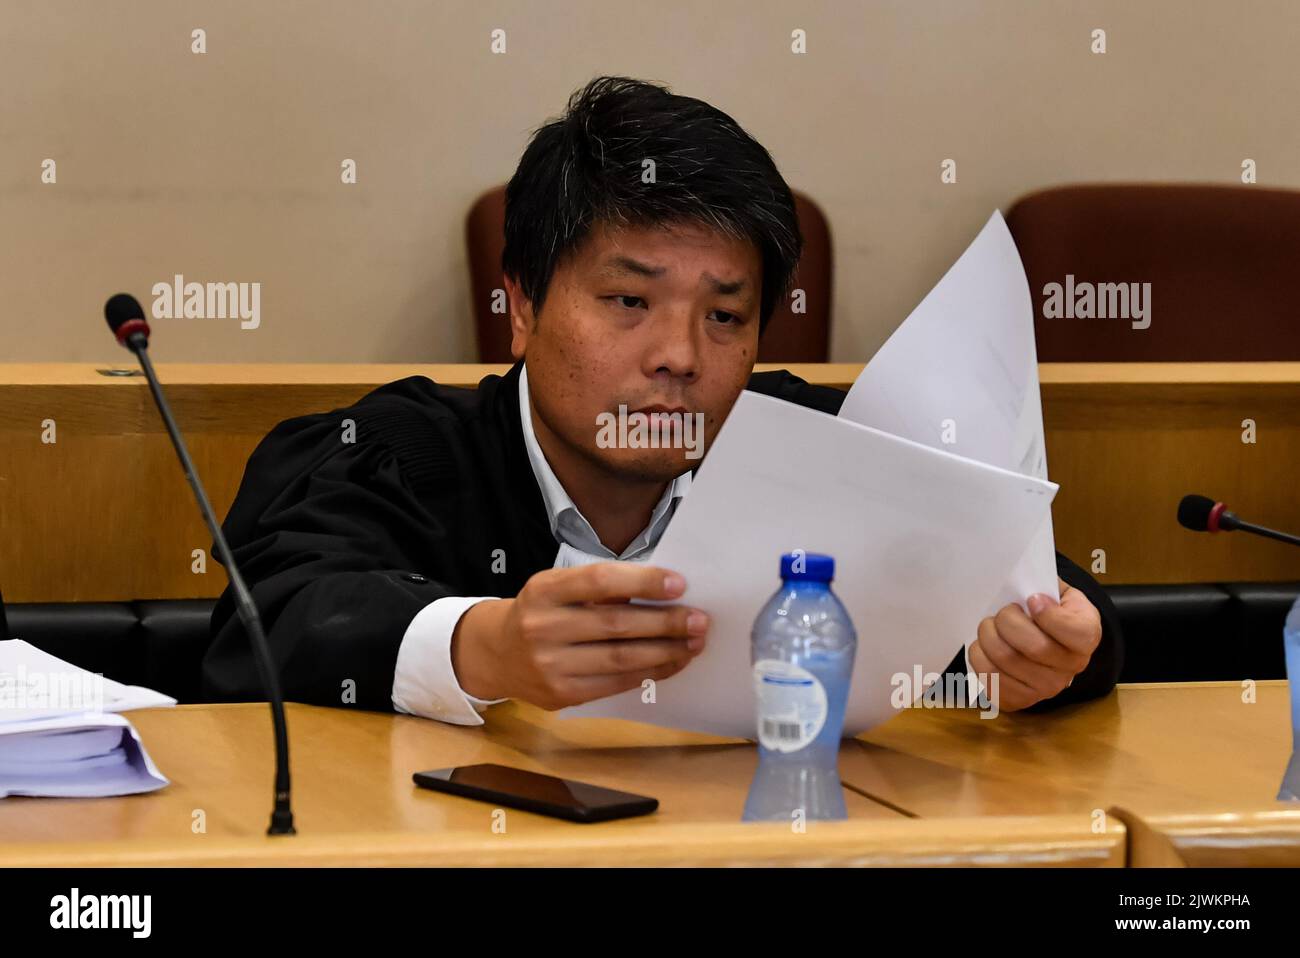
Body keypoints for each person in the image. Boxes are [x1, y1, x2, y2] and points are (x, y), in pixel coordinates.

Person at [204, 76, 1122, 723]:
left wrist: (1043, 656)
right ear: (521, 305)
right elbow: (273, 621)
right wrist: (487, 649)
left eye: (726, 316)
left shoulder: (822, 450)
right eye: (629, 303)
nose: (680, 356)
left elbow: (1024, 583)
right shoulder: (396, 450)